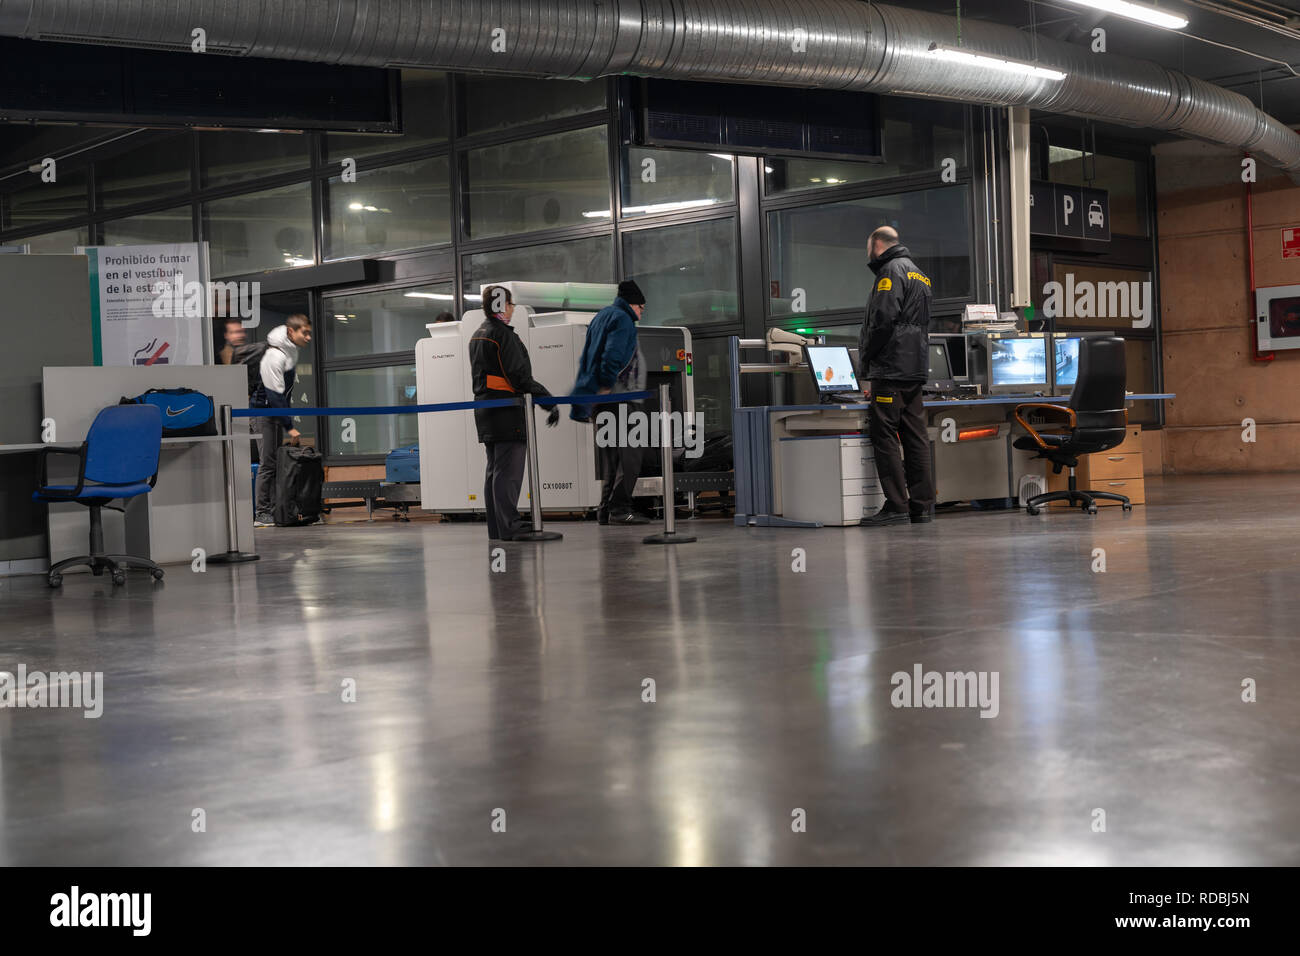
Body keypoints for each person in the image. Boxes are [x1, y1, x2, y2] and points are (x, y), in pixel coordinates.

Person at [858, 226, 936, 527]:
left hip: (890, 369)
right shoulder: (919, 273)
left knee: (885, 435)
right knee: (916, 436)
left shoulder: (889, 273)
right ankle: (922, 506)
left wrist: (866, 360)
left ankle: (896, 505)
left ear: (876, 244)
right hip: (915, 369)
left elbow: (882, 322)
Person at [469, 286, 559, 541]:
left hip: (486, 410)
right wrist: (547, 400)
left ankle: (498, 528)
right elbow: (518, 376)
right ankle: (510, 526)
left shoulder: (477, 334)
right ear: (501, 305)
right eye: (510, 304)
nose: (512, 308)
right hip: (507, 409)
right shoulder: (502, 335)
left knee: (495, 470)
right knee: (508, 471)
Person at [571, 279, 649, 525]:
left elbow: (588, 356)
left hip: (603, 400)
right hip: (620, 397)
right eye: (641, 308)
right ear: (632, 303)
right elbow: (612, 356)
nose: (641, 313)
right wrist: (606, 385)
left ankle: (605, 510)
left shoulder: (601, 316)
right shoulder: (623, 319)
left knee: (611, 457)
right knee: (629, 456)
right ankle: (619, 509)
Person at [252, 313, 312, 528]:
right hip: (263, 413)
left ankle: (279, 509)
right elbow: (274, 394)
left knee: (276, 463)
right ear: (290, 332)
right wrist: (290, 427)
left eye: (309, 333)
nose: (308, 338)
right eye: (304, 333)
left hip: (274, 413)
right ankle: (261, 513)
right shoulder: (274, 355)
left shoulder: (289, 351)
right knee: (267, 464)